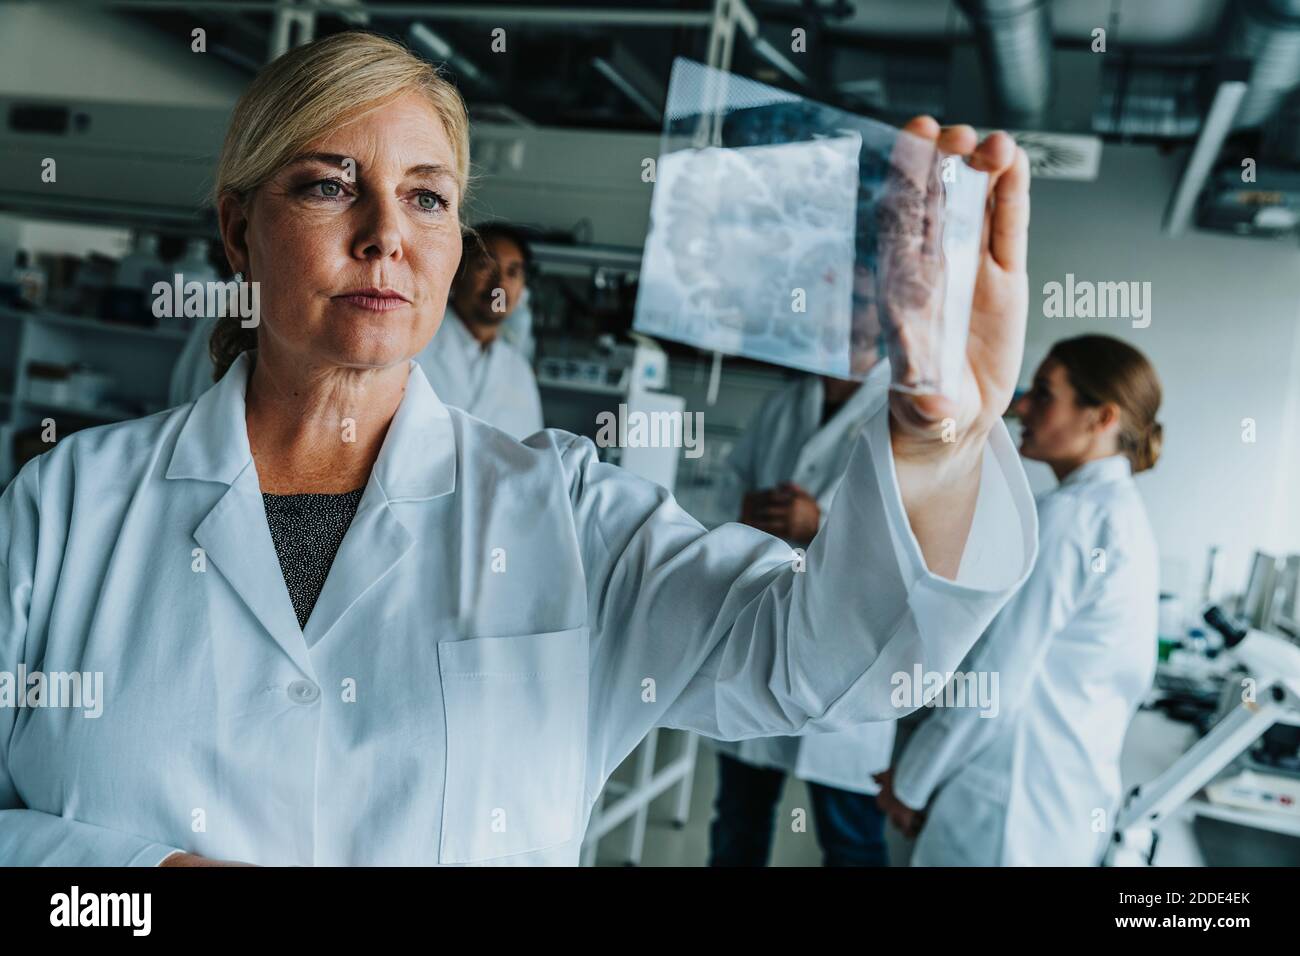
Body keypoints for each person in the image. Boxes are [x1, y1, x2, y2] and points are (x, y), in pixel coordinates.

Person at [0, 31, 1035, 867]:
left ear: (453, 242)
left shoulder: (570, 516)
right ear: (237, 231)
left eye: (426, 196)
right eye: (328, 184)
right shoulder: (69, 507)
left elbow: (820, 663)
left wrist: (938, 432)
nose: (384, 234)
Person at [875, 334, 1163, 867]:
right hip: (1058, 805)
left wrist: (911, 784)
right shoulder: (1122, 516)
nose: (1019, 406)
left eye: (1044, 394)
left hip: (1006, 807)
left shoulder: (1067, 519)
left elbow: (996, 680)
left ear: (1101, 418)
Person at [708, 369, 896, 866]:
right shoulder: (784, 402)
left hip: (848, 657)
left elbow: (911, 541)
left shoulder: (901, 410)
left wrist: (820, 525)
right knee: (737, 821)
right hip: (762, 638)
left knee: (849, 836)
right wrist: (742, 509)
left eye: (863, 301)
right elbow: (729, 486)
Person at [412, 223, 544, 440]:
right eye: (485, 265)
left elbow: (531, 458)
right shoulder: (415, 345)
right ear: (454, 273)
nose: (499, 284)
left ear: (522, 289)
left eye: (513, 272)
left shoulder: (519, 370)